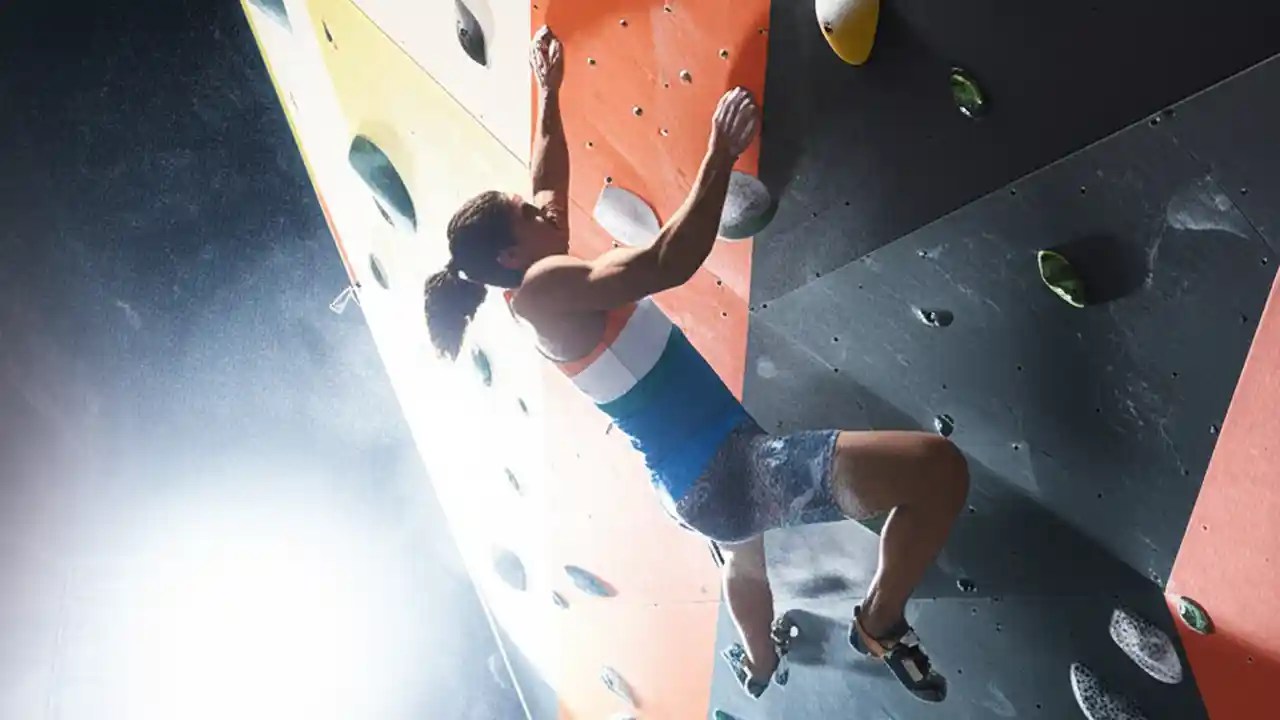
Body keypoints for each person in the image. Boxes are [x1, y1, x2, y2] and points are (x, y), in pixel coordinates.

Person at [423, 26, 969, 703]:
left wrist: (552, 90)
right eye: (528, 214)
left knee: (743, 555)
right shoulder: (540, 293)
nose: (545, 209)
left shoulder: (528, 267)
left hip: (694, 484)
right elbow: (663, 262)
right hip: (726, 473)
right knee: (937, 473)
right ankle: (880, 623)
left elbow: (547, 175)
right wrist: (719, 153)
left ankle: (761, 664)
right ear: (511, 256)